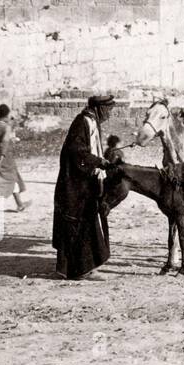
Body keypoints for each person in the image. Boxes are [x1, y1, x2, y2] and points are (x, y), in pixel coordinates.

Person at [52, 93, 114, 280]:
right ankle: (82, 270)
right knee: (81, 224)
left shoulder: (91, 121)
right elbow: (76, 151)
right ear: (98, 108)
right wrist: (98, 161)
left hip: (83, 183)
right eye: (108, 110)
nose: (109, 114)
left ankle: (75, 268)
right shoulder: (83, 122)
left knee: (86, 224)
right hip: (75, 185)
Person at [0, 104, 28, 213]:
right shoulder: (6, 127)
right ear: (7, 115)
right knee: (12, 178)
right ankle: (19, 204)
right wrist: (2, 157)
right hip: (5, 158)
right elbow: (4, 143)